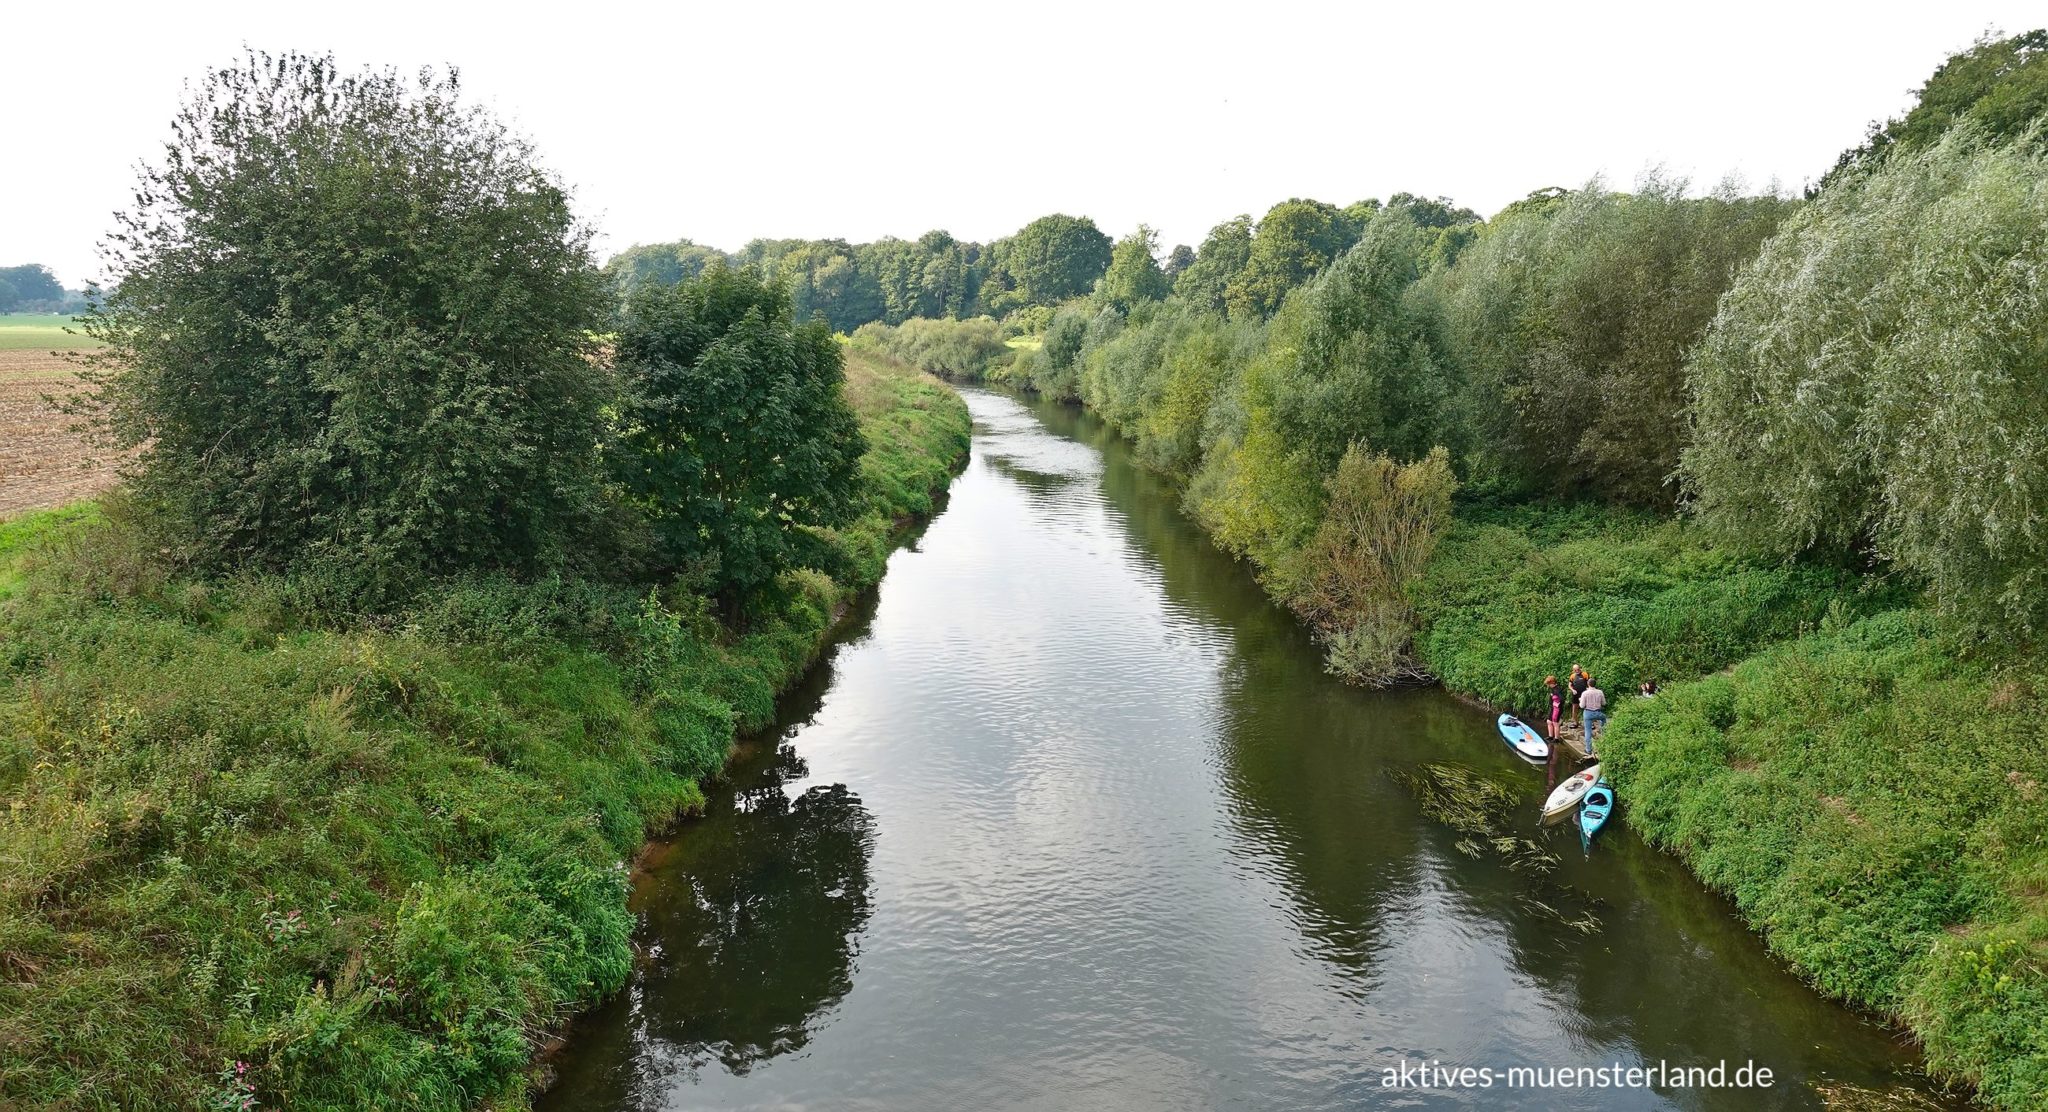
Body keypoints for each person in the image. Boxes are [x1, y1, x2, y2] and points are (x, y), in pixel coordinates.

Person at [1580, 678, 1607, 754]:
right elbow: (1604, 703)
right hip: (1598, 713)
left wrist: (1580, 701)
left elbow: (1582, 706)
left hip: (1588, 713)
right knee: (1604, 718)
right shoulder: (1600, 692)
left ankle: (1588, 750)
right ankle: (1604, 735)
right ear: (1595, 684)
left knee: (1588, 731)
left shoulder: (1585, 693)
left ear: (1588, 684)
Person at [1543, 675, 1565, 741]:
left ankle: (1556, 738)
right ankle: (1550, 736)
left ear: (1552, 683)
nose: (1548, 685)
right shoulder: (1552, 689)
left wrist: (1556, 703)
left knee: (1555, 723)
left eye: (1549, 684)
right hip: (1552, 708)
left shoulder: (1557, 689)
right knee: (1549, 721)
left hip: (1557, 709)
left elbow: (1562, 699)